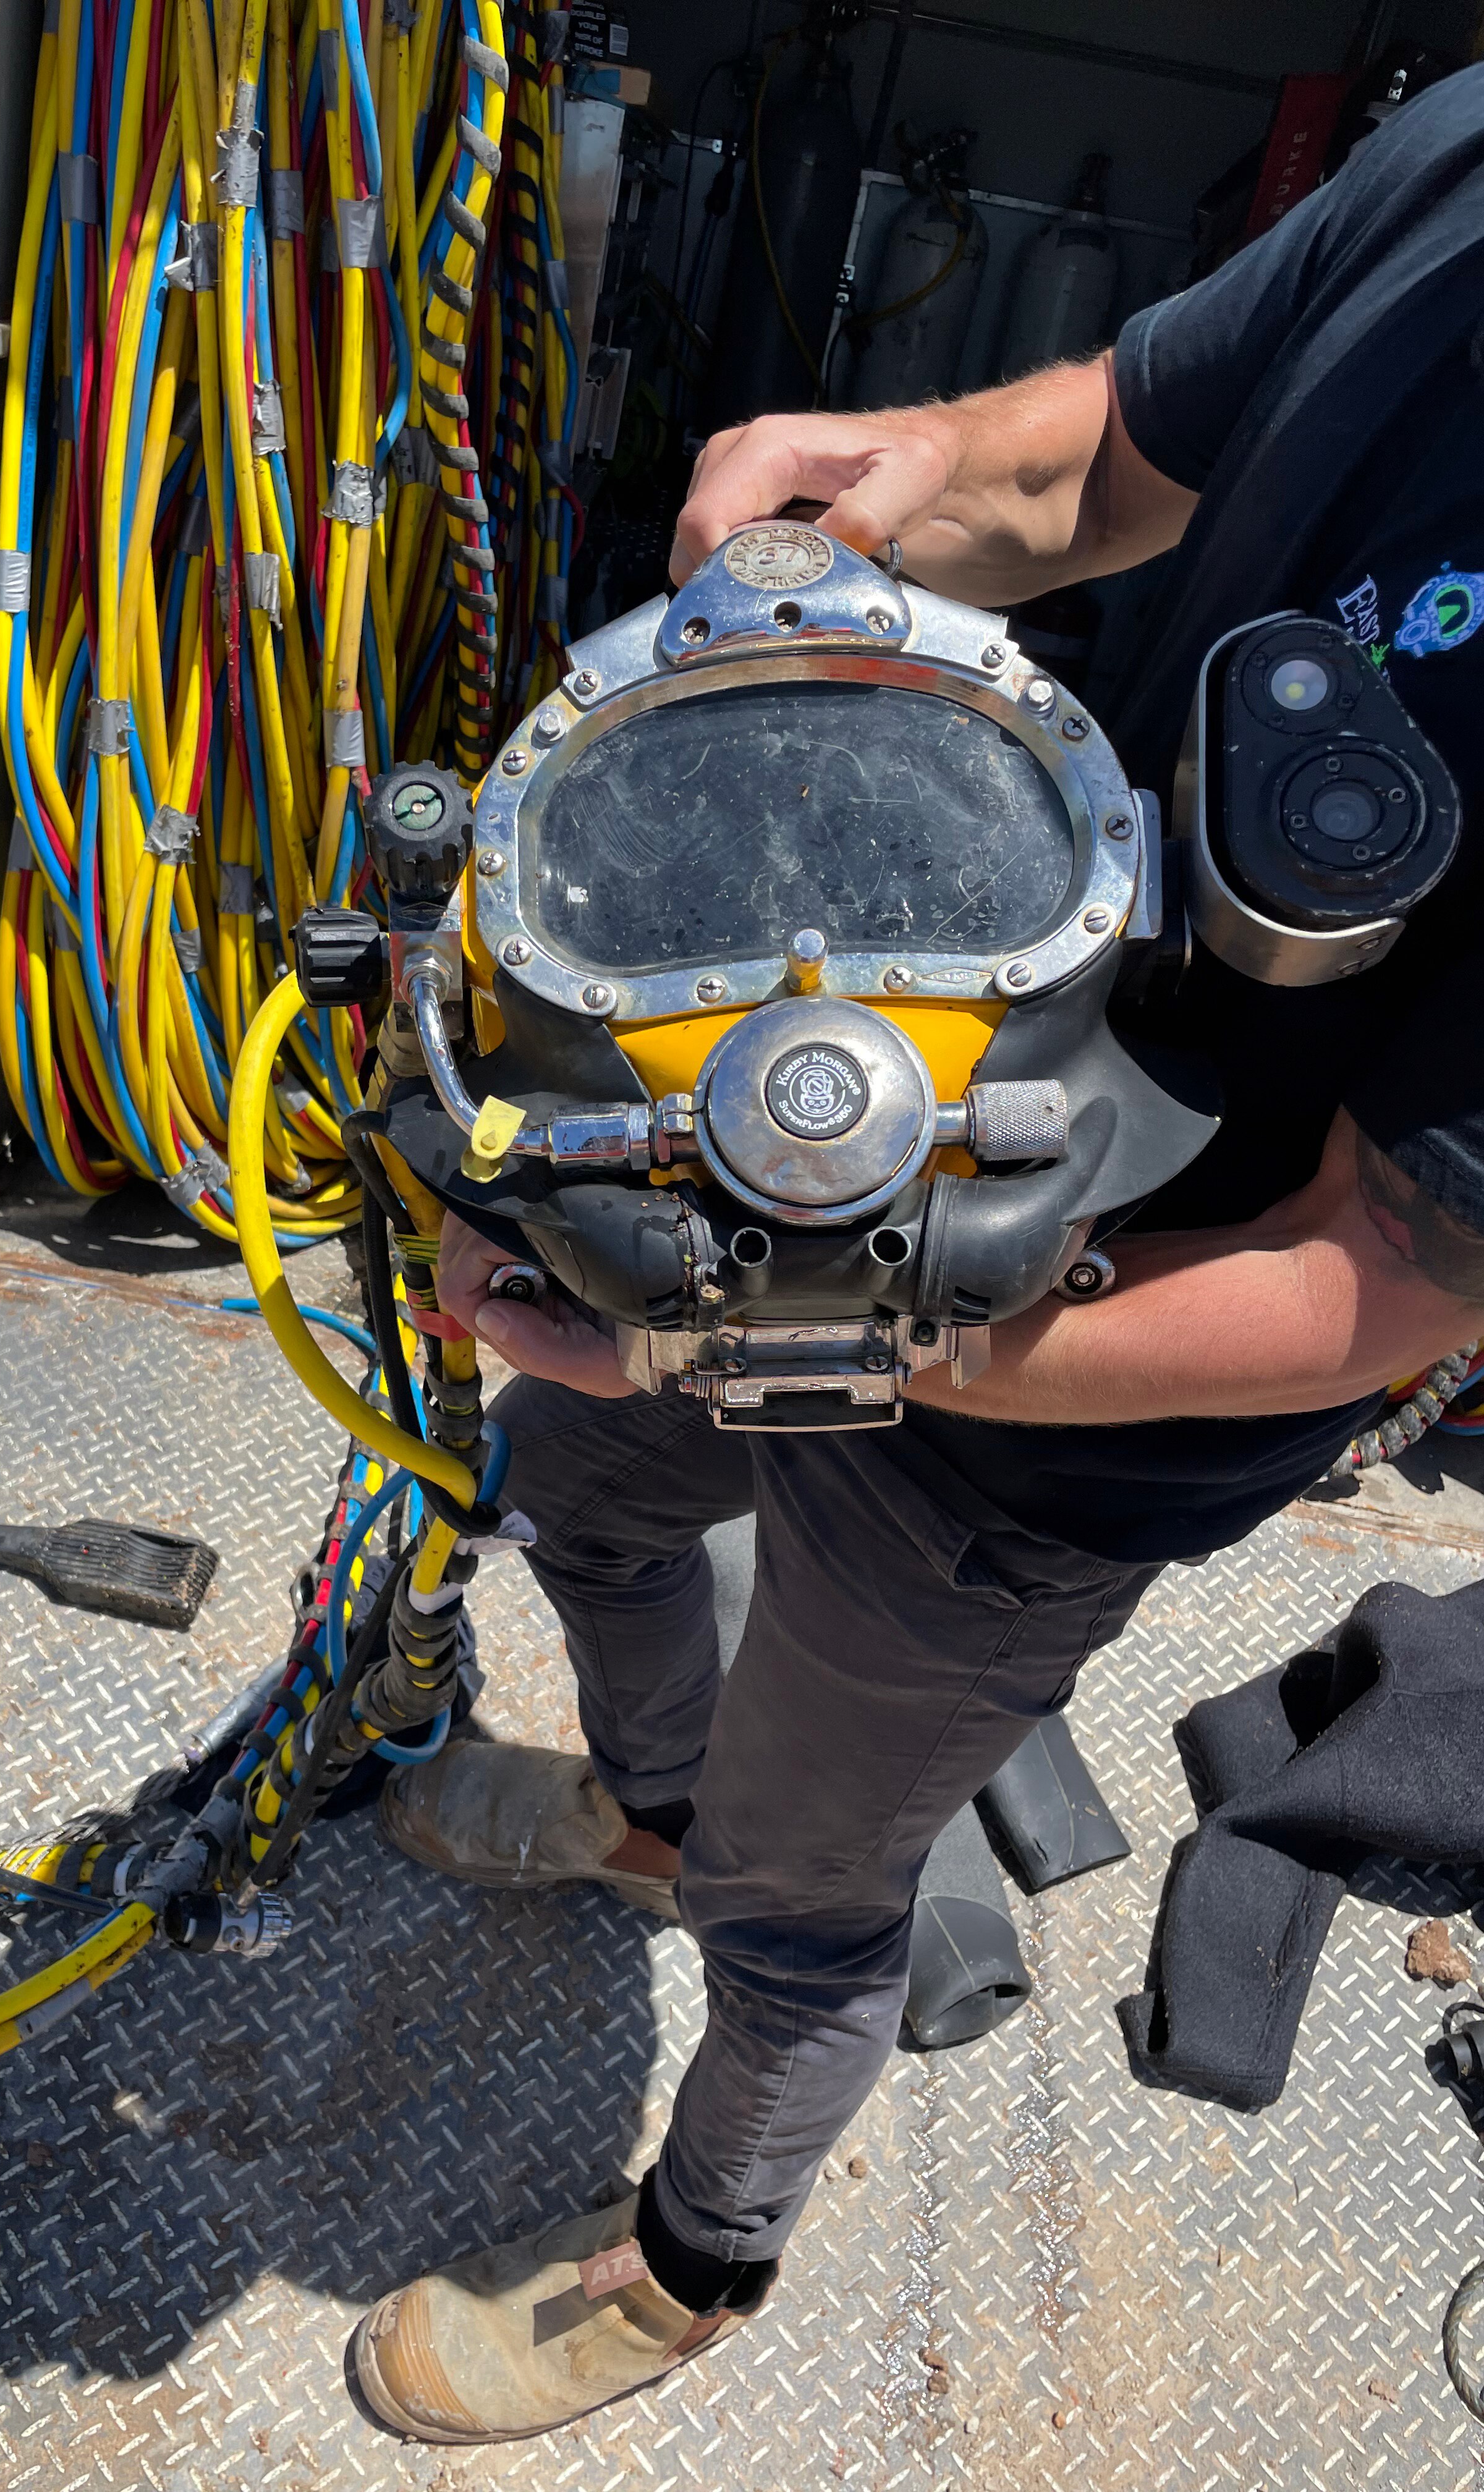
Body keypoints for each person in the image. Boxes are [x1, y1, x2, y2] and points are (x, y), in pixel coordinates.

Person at [348, 70, 1484, 2444]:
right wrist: (898, 480)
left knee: (807, 1874)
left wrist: (805, 1351)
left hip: (1091, 1408)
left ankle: (694, 2262)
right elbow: (1111, 445)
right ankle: (641, 1819)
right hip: (891, 1128)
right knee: (598, 1496)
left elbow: (1398, 1270)